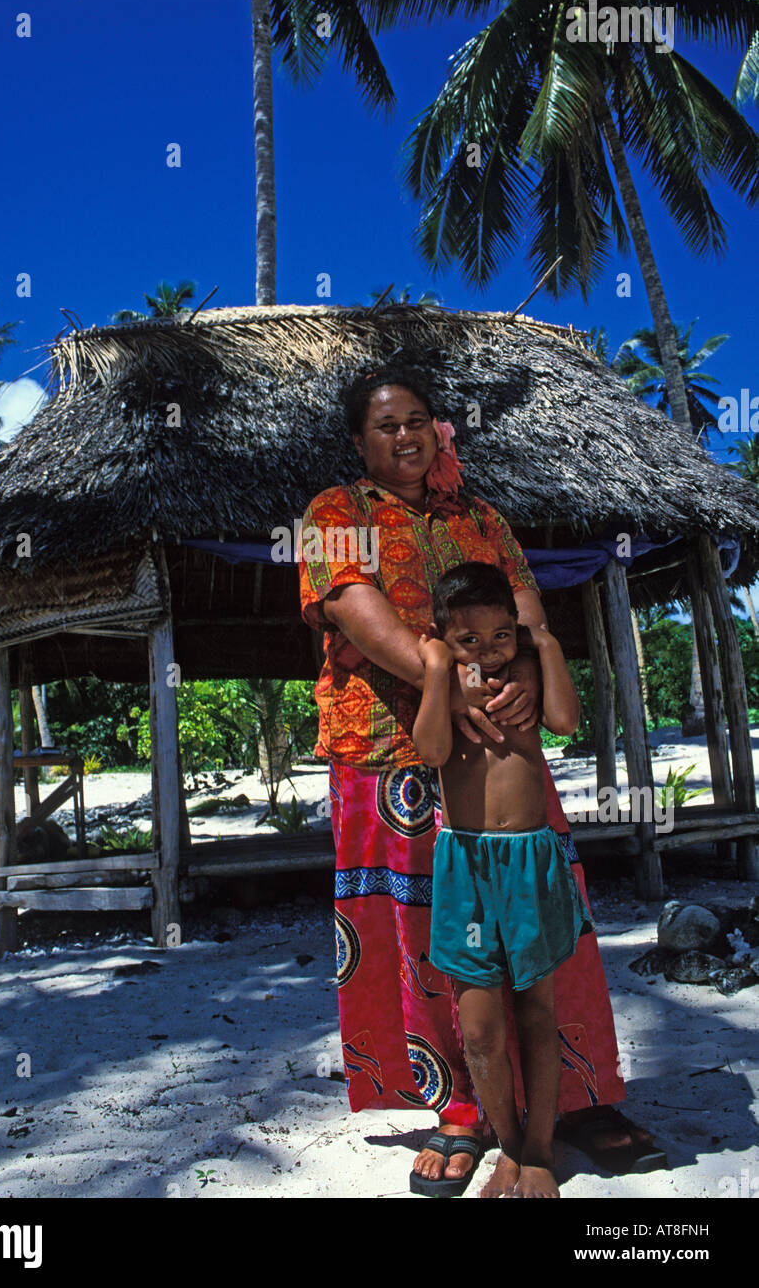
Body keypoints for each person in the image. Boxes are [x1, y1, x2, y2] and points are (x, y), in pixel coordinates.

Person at [298, 364, 664, 1197]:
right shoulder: (335, 515)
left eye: (419, 419)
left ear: (438, 430)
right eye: (386, 425)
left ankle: (572, 1097)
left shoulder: (482, 516)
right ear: (359, 440)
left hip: (507, 745)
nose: (405, 436)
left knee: (545, 924)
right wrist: (443, 679)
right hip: (391, 748)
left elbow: (527, 608)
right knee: (432, 941)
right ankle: (459, 1112)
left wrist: (530, 671)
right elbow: (354, 606)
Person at [414, 560, 592, 1198]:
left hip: (529, 860)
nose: (489, 653)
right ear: (441, 636)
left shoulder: (526, 677)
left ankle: (540, 1151)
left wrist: (544, 646)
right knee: (483, 1029)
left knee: (537, 1012)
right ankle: (508, 1146)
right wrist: (439, 672)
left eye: (502, 637)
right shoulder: (445, 684)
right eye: (469, 641)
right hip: (464, 863)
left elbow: (568, 724)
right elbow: (433, 751)